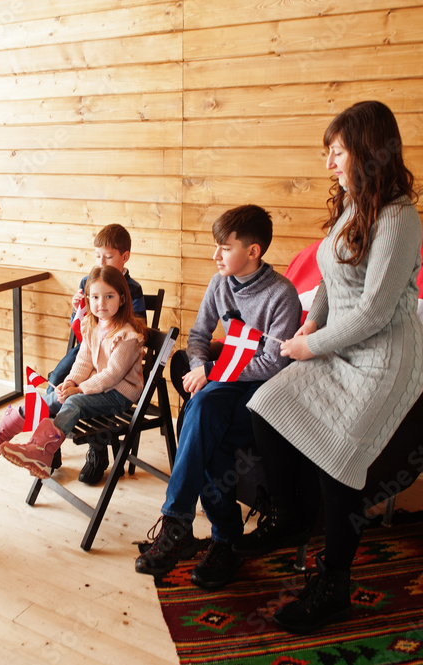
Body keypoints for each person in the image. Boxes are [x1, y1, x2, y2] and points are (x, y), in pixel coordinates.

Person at [243, 101, 423, 632]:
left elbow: (373, 310)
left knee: (340, 462)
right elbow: (330, 278)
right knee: (266, 405)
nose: (329, 163)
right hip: (336, 342)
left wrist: (312, 346)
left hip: (386, 358)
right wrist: (309, 325)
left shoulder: (399, 217)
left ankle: (334, 585)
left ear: (367, 153)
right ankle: (291, 516)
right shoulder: (351, 207)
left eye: (338, 152)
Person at [134, 204, 301, 589]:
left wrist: (210, 373)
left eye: (224, 248)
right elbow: (197, 337)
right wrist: (198, 366)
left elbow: (273, 364)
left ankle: (180, 527)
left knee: (201, 411)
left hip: (262, 396)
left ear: (253, 251)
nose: (216, 255)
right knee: (205, 419)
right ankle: (221, 540)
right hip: (222, 385)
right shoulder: (219, 283)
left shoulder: (282, 295)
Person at [0, 223, 145, 485]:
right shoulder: (93, 323)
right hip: (96, 378)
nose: (100, 304)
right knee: (51, 394)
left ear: (122, 298)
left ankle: (42, 450)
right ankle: (3, 432)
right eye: (95, 298)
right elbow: (83, 359)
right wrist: (71, 382)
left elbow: (112, 375)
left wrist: (79, 390)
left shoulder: (127, 335)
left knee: (74, 402)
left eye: (109, 297)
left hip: (118, 392)